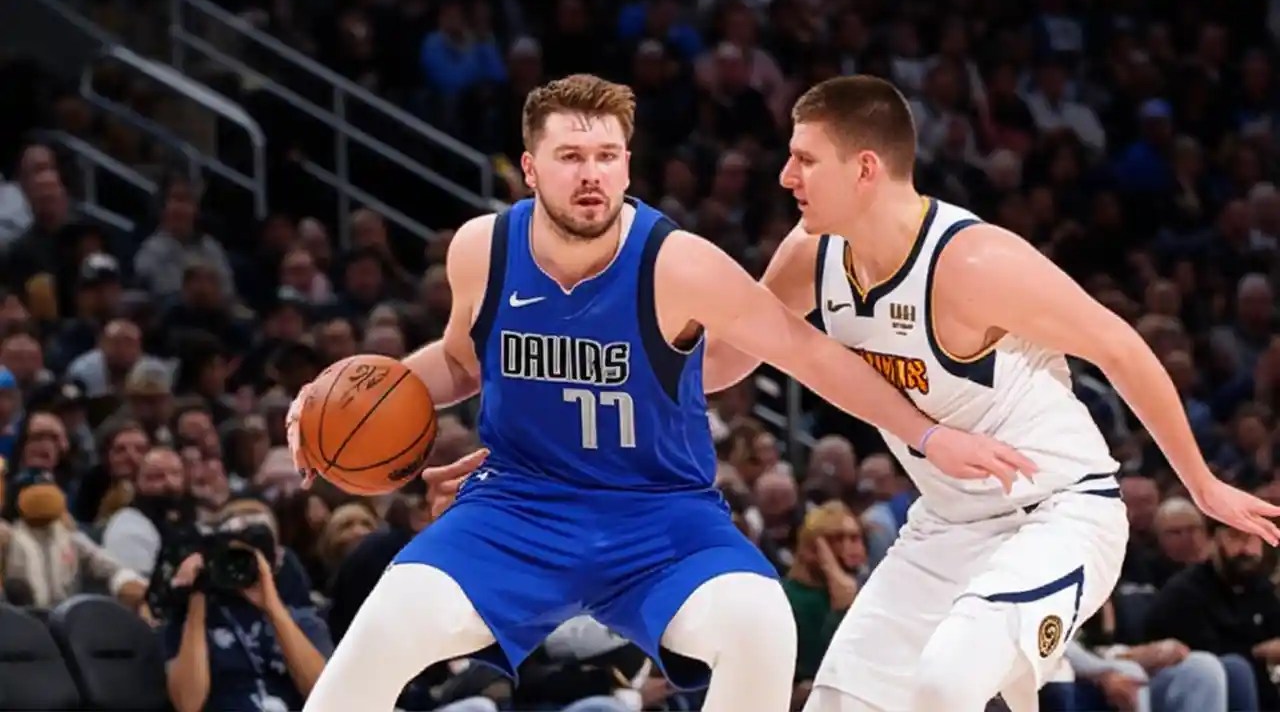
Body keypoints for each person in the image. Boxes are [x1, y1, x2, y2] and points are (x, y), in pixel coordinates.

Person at [288, 74, 1033, 712]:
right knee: (383, 628)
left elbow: (806, 351)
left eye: (608, 157)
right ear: (530, 168)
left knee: (760, 625)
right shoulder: (482, 248)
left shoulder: (678, 264)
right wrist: (331, 398)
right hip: (516, 508)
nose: (592, 175)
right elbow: (461, 362)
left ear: (627, 166)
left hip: (660, 518)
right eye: (571, 157)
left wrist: (931, 435)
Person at [702, 74, 1280, 712]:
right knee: (838, 704)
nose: (785, 175)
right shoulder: (812, 255)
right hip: (946, 523)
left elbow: (1118, 345)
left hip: (1058, 513)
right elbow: (726, 357)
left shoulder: (971, 263)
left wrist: (1200, 483)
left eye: (805, 159)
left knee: (947, 683)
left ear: (864, 168)